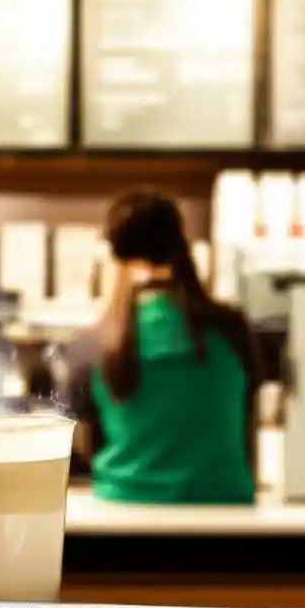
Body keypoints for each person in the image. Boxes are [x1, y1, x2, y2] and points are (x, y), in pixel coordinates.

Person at [66, 189, 263, 505]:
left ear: (115, 258)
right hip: (225, 521)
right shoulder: (232, 330)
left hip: (124, 517)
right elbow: (246, 416)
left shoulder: (94, 343)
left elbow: (83, 441)